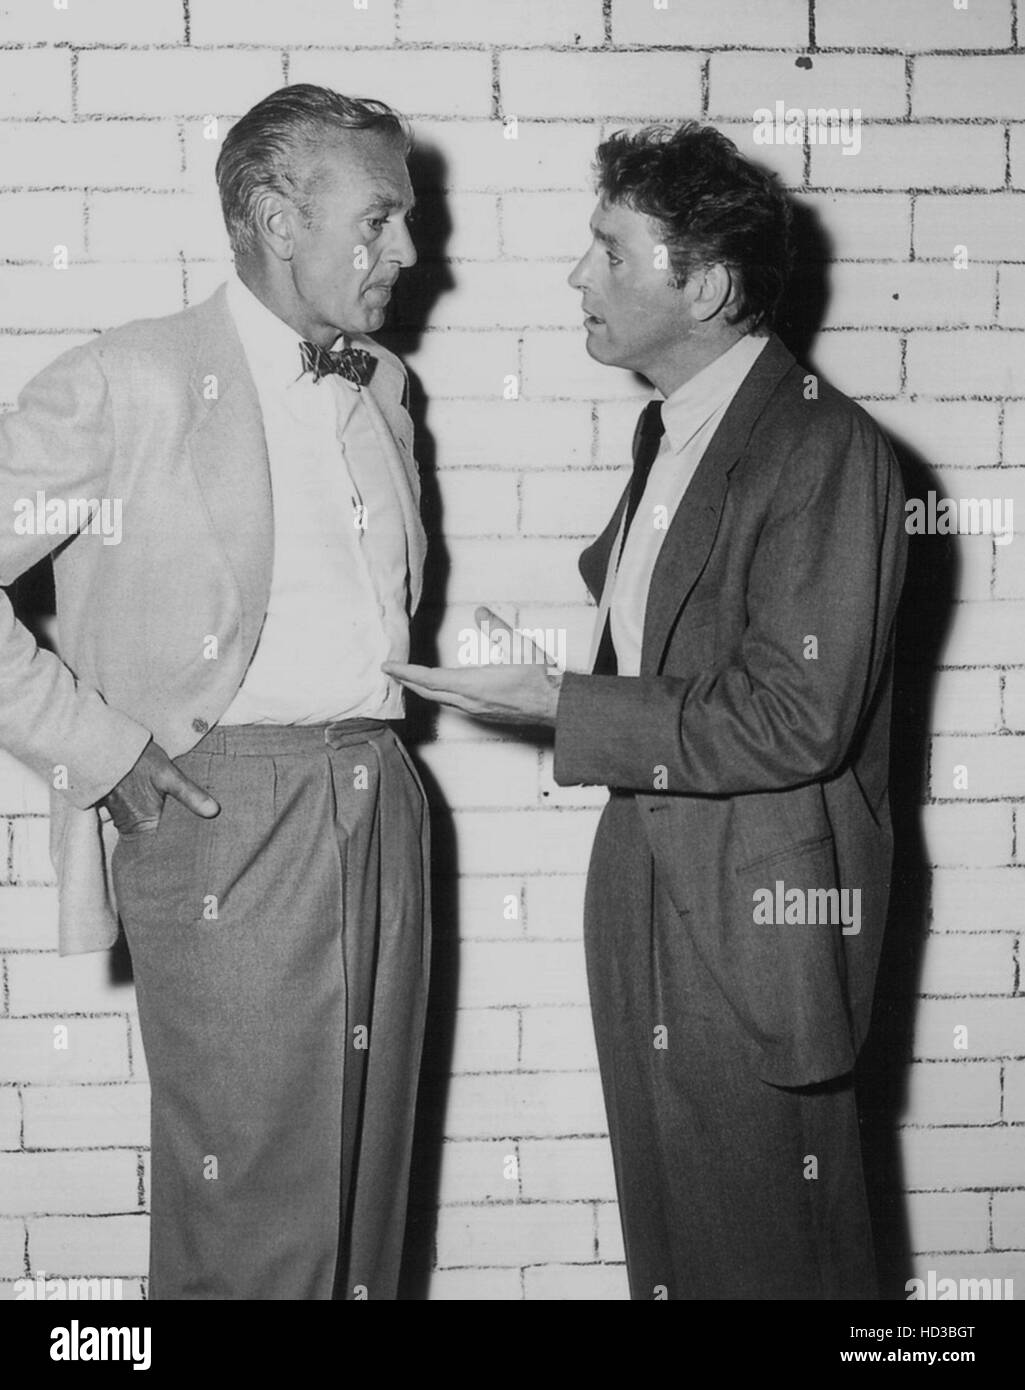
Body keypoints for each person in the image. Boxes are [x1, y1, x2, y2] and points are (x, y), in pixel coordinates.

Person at [386, 122, 908, 1300]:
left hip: (755, 917)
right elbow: (677, 634)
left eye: (610, 251)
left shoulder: (823, 445)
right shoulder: (672, 429)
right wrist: (547, 680)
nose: (579, 275)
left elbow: (797, 714)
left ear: (707, 286)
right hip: (648, 875)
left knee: (774, 1261)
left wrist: (562, 702)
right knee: (680, 1251)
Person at [0, 84, 430, 1300]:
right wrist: (102, 750)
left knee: (362, 1215)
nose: (406, 250)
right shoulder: (128, 379)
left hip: (382, 799)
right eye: (380, 217)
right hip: (223, 813)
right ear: (274, 217)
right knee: (254, 1216)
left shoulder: (382, 391)